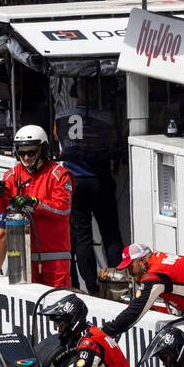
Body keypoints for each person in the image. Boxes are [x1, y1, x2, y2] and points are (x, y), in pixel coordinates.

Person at [0, 125, 74, 286]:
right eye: (22, 152)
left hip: (54, 257)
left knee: (57, 306)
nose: (26, 157)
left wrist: (35, 203)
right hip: (21, 257)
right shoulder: (12, 175)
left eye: (31, 152)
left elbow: (63, 209)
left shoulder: (59, 175)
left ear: (43, 150)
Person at [57, 96, 123, 296]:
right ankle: (116, 282)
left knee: (81, 238)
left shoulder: (62, 116)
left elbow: (57, 140)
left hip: (74, 181)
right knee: (110, 234)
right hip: (100, 179)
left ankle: (91, 287)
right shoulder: (105, 117)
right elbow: (114, 144)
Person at [35, 293, 128, 367]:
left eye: (61, 325)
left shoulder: (88, 344)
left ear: (72, 321)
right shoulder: (93, 331)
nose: (59, 330)